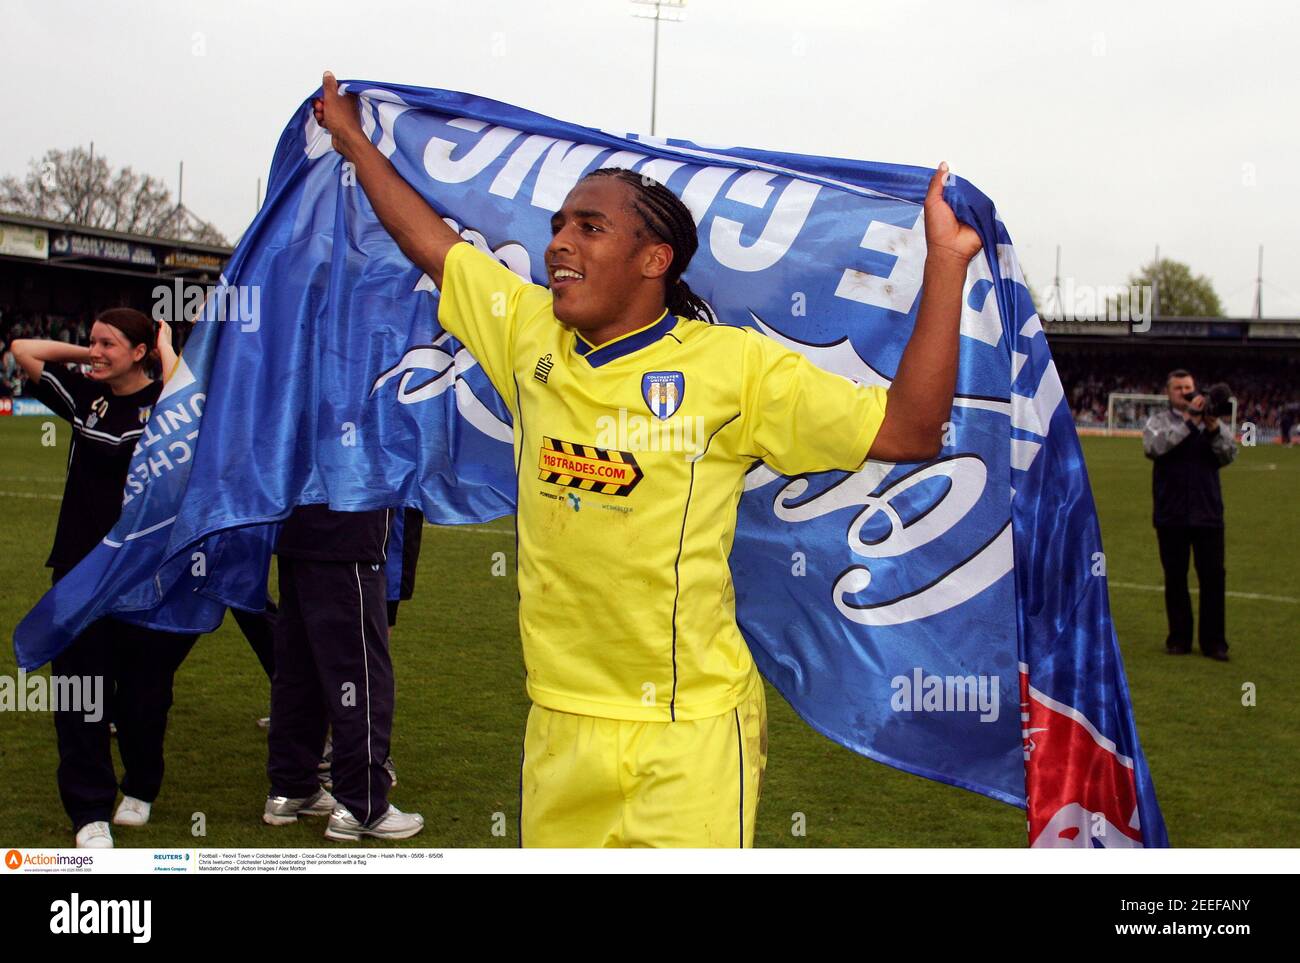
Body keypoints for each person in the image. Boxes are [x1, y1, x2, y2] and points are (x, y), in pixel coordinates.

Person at [314, 71, 981, 846]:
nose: (559, 241)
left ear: (654, 258)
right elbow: (429, 243)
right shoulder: (528, 334)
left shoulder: (734, 368)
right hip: (559, 721)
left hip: (688, 732)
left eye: (589, 227)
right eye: (558, 224)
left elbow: (911, 429)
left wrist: (945, 262)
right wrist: (356, 143)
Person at [11, 310, 199, 848]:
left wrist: (163, 345)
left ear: (141, 352)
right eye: (91, 339)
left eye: (108, 343)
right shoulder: (83, 397)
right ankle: (88, 810)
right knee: (79, 692)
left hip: (144, 574)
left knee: (143, 696)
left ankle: (140, 785)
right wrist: (89, 354)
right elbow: (25, 348)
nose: (94, 350)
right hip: (79, 571)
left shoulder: (164, 406)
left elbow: (192, 395)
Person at [262, 504, 423, 840]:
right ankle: (360, 805)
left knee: (299, 674)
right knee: (359, 677)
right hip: (347, 539)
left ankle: (291, 788)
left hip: (298, 534)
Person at [1142, 369, 1237, 661]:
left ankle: (1214, 643)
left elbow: (1229, 454)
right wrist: (1188, 422)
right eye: (1178, 388)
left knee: (1213, 579)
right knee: (1175, 577)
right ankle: (1179, 638)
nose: (1185, 392)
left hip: (1208, 513)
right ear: (1168, 393)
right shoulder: (1158, 422)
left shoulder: (1213, 423)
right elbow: (1154, 447)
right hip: (1171, 514)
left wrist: (1210, 428)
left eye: (1189, 387)